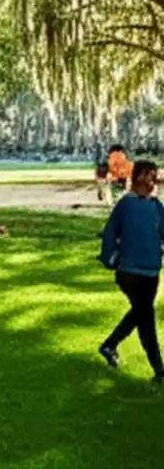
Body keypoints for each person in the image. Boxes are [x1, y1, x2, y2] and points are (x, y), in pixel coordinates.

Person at [97, 160, 164, 383]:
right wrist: (112, 259)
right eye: (149, 175)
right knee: (145, 317)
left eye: (155, 176)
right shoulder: (125, 205)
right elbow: (109, 234)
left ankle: (109, 345)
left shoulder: (156, 207)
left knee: (140, 312)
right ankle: (159, 370)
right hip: (129, 272)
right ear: (138, 177)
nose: (153, 180)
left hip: (151, 271)